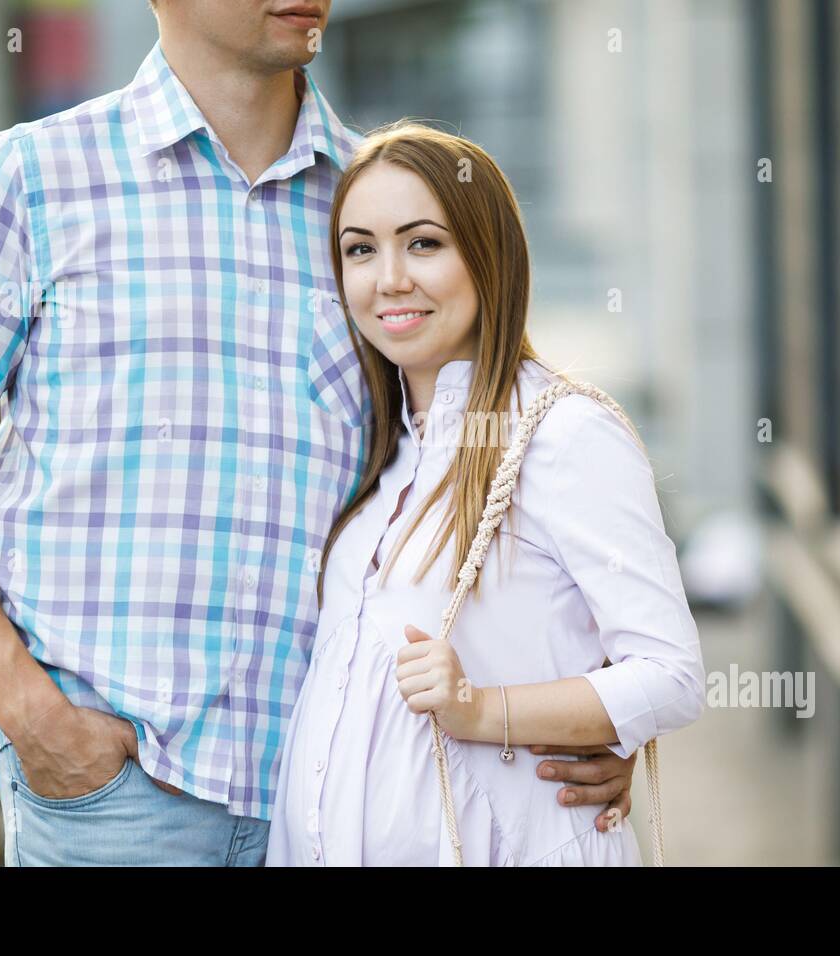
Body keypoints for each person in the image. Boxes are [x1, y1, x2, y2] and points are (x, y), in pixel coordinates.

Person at [0, 0, 638, 866]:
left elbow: (490, 467)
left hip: (354, 806)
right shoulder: (32, 180)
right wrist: (34, 720)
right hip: (115, 803)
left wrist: (588, 716)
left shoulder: (379, 211)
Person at [266, 122, 705, 866]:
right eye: (361, 249)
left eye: (423, 243)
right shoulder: (382, 453)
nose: (389, 278)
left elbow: (671, 677)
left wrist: (482, 710)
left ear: (487, 252)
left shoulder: (562, 434)